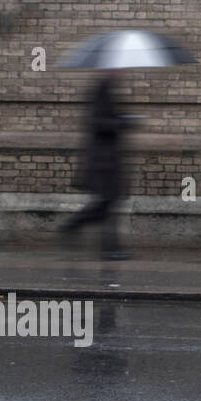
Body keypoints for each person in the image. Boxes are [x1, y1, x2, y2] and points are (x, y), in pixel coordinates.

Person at [60, 70, 133, 260]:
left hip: (107, 159)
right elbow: (98, 122)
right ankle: (78, 227)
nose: (124, 74)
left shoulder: (107, 90)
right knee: (106, 203)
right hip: (102, 161)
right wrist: (123, 122)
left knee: (108, 203)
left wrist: (122, 120)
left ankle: (109, 246)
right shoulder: (100, 90)